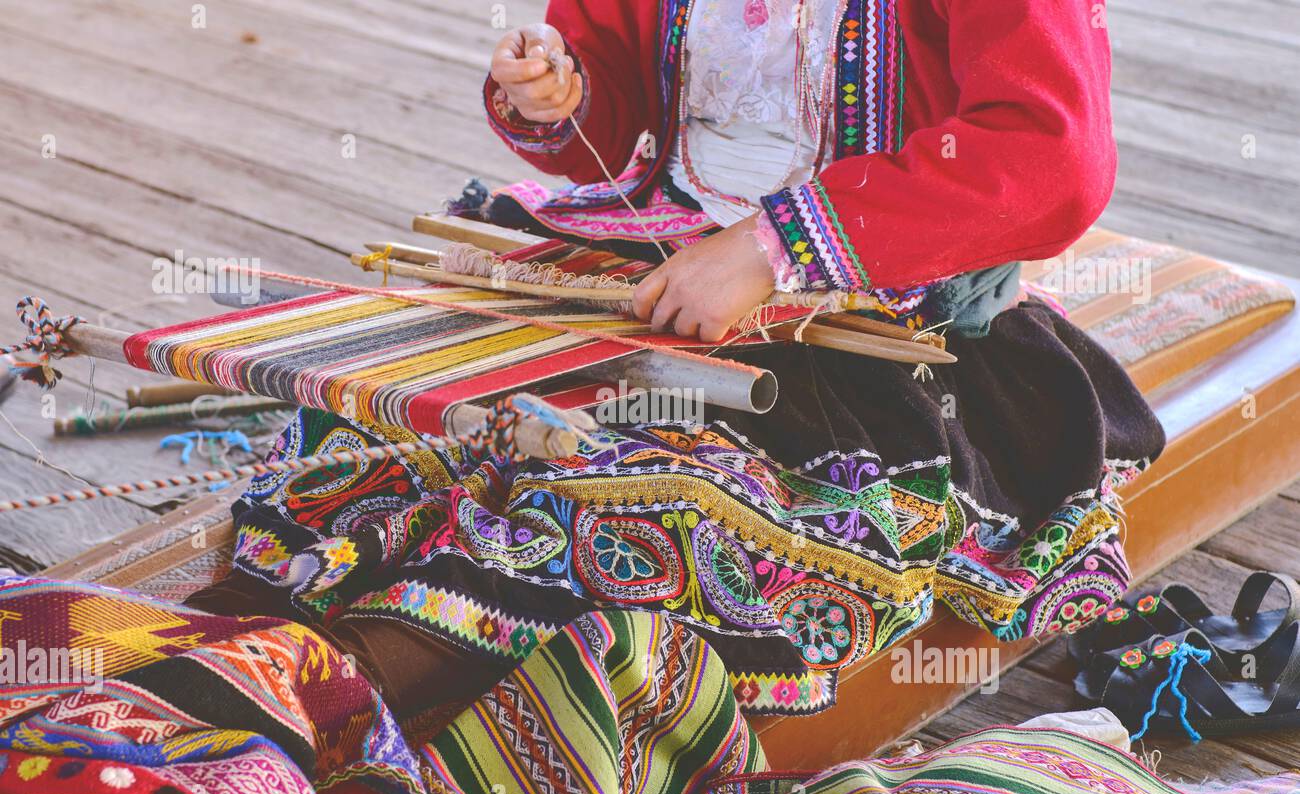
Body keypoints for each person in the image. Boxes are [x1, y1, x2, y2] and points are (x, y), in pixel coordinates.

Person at [185, 0, 1162, 725]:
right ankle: (238, 660)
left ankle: (304, 699)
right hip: (648, 260)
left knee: (647, 504)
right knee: (404, 427)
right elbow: (609, 108)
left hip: (876, 314)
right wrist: (559, 94)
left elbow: (1052, 150)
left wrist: (772, 248)